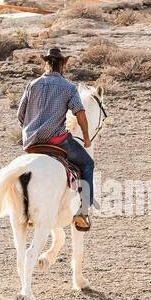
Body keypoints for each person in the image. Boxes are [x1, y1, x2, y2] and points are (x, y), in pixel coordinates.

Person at [17, 46, 94, 231]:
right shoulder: (68, 87)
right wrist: (86, 138)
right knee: (87, 164)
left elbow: (20, 115)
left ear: (46, 64)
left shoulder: (32, 85)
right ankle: (83, 212)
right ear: (63, 66)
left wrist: (31, 130)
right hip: (56, 140)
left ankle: (25, 210)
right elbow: (80, 114)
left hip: (32, 142)